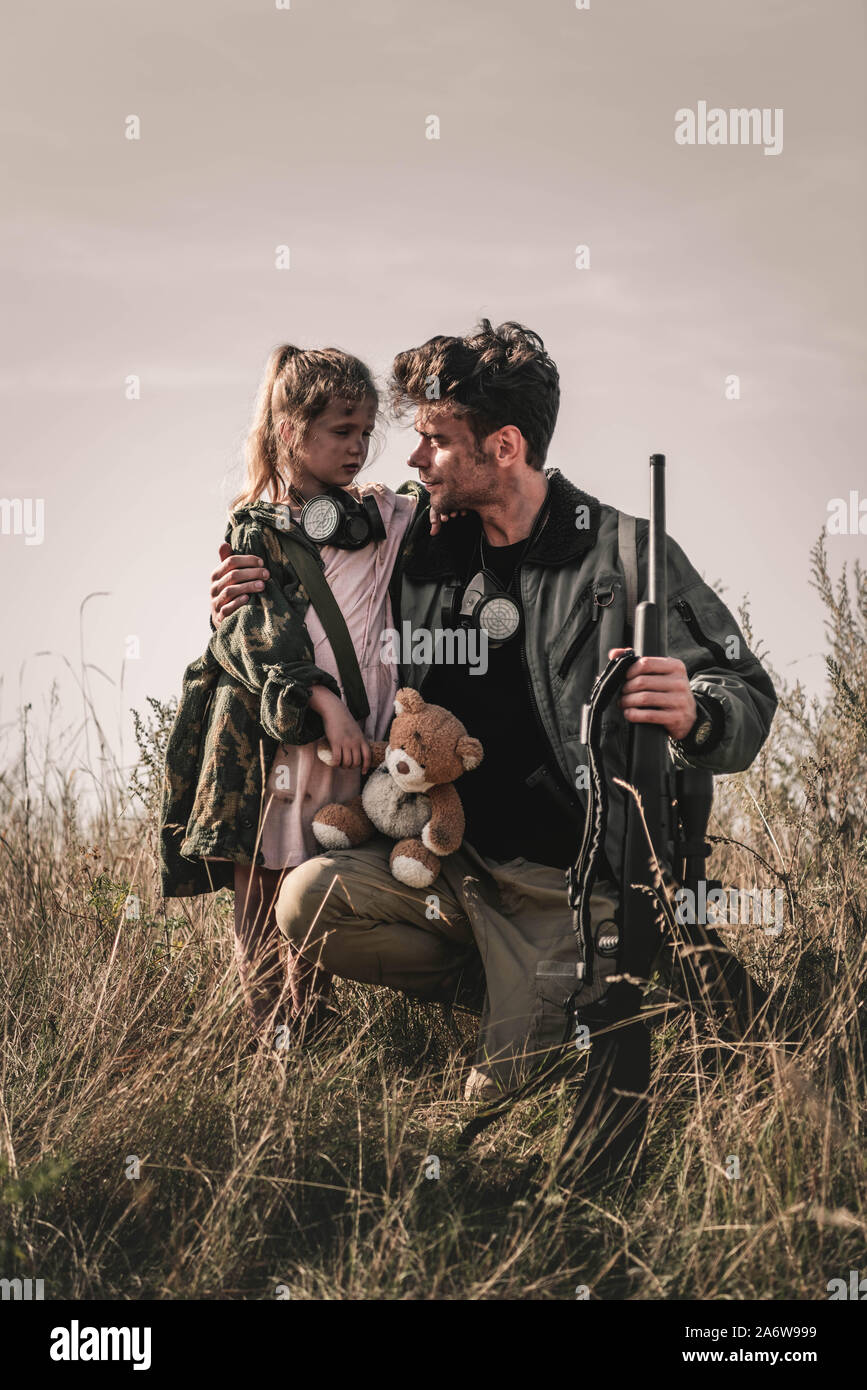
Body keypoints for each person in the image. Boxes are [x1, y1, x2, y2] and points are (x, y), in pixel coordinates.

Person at [209, 321, 778, 1098]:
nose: (411, 458)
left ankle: (567, 988)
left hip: (563, 887)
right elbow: (309, 548)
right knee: (312, 899)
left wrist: (695, 711)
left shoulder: (621, 553)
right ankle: (518, 989)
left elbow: (743, 689)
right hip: (452, 868)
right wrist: (243, 589)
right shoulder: (421, 547)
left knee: (493, 1105)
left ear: (503, 447)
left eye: (435, 439)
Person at [160, 343, 439, 1043]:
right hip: (275, 740)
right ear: (290, 432)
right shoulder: (259, 529)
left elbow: (445, 498)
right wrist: (324, 704)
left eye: (365, 431)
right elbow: (262, 635)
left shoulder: (378, 518)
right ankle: (274, 1046)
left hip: (349, 745)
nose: (359, 446)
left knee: (312, 892)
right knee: (262, 889)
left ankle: (311, 1031)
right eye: (341, 431)